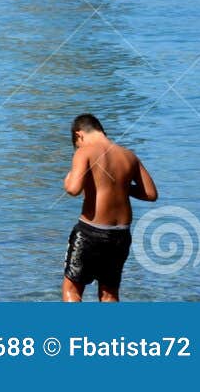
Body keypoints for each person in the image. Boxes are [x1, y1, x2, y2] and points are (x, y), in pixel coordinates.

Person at [62, 113, 157, 302]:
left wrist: (68, 178)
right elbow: (150, 194)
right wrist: (120, 185)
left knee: (72, 289)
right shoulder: (129, 155)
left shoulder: (85, 151)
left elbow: (73, 189)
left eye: (77, 143)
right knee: (109, 293)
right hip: (120, 235)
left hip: (91, 233)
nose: (78, 148)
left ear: (79, 134)